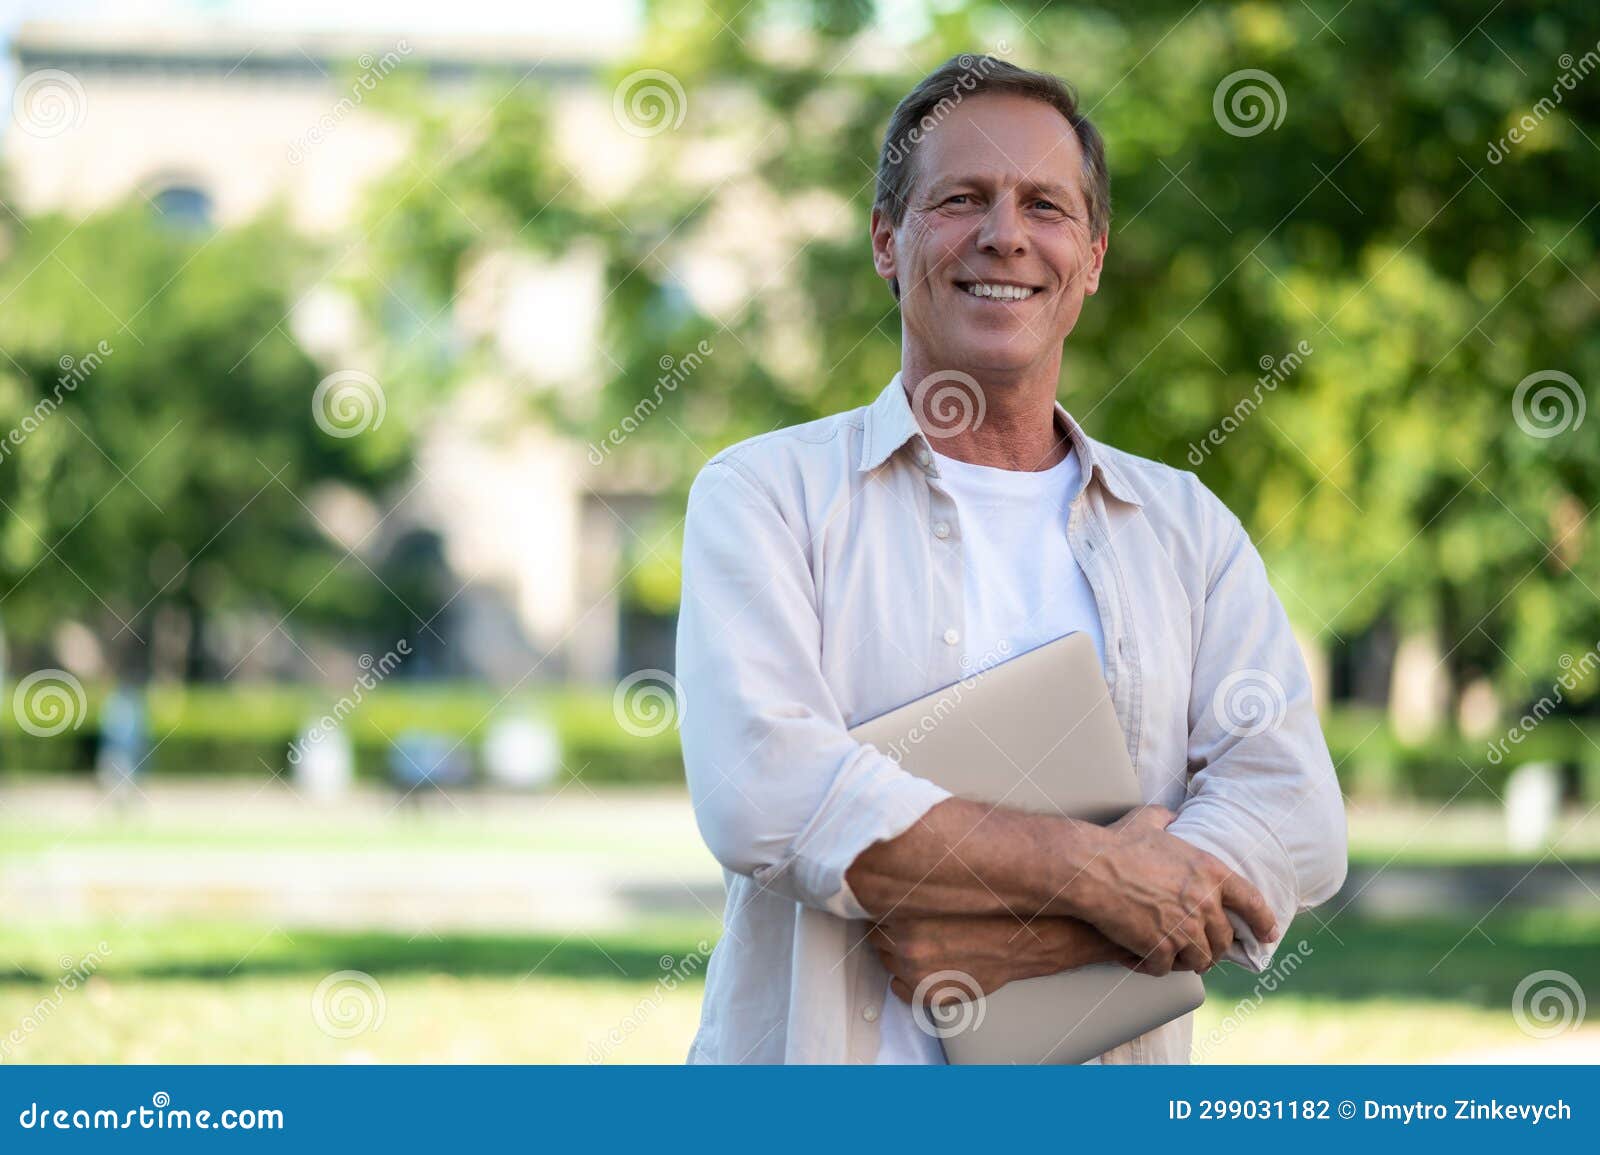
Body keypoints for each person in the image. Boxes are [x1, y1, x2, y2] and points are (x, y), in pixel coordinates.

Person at [675, 54, 1347, 1065]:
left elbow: (1293, 813)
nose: (1005, 235)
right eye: (962, 199)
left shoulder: (1185, 528)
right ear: (886, 242)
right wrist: (1096, 876)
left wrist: (1022, 938)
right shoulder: (765, 495)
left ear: (1091, 256)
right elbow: (763, 790)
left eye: (1044, 205)